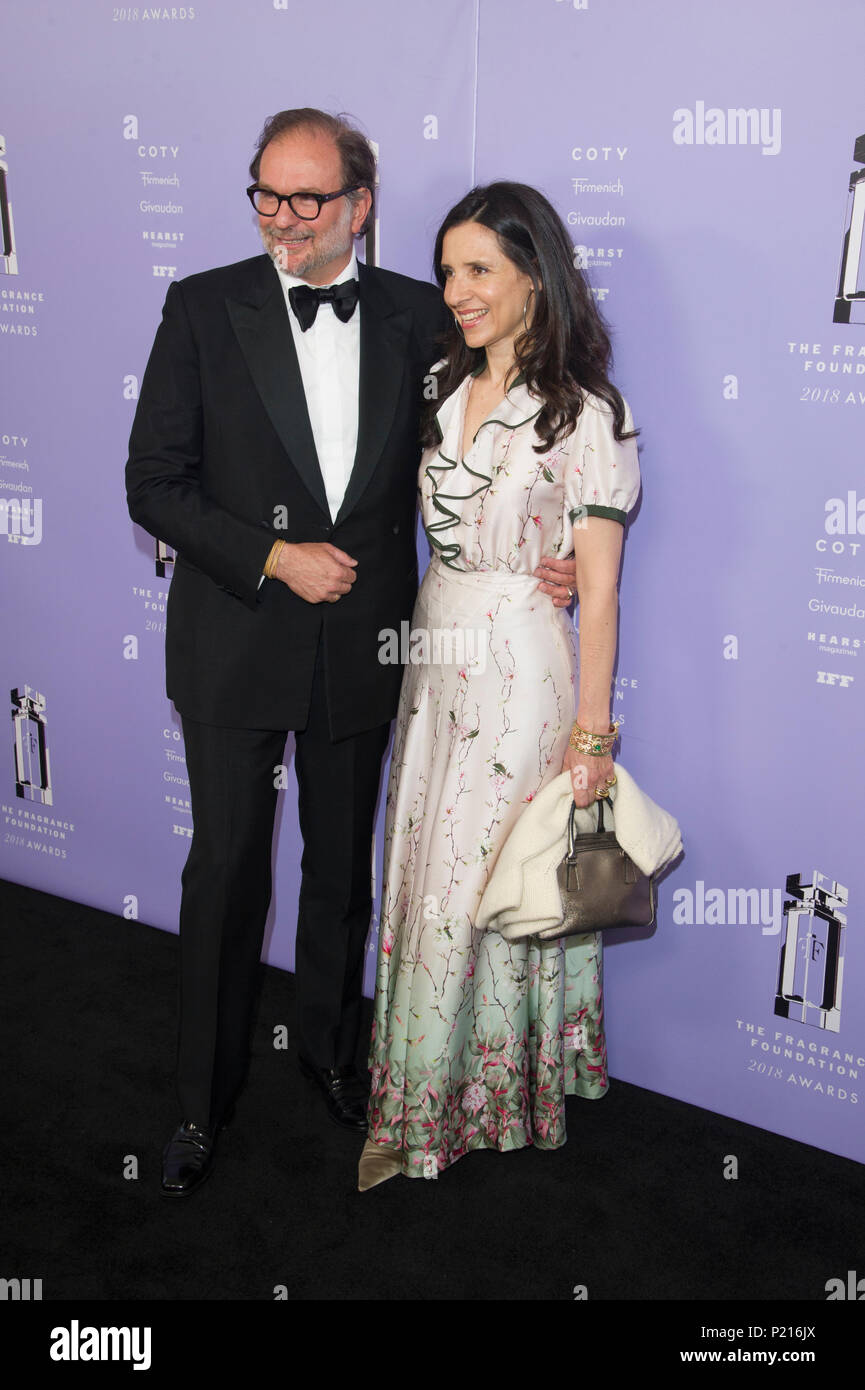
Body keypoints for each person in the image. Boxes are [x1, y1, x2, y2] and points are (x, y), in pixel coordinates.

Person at [125, 112, 578, 1197]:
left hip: (366, 649)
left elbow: (506, 426)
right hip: (234, 641)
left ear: (359, 206)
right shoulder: (200, 306)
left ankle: (331, 1057)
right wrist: (274, 556)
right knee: (227, 874)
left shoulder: (426, 317)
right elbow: (153, 483)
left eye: (306, 200)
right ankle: (202, 1099)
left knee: (338, 875)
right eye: (265, 196)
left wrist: (550, 552)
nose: (282, 219)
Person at [360, 181, 641, 1189]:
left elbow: (599, 596)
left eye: (479, 268)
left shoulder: (587, 414)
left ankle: (469, 1103)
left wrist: (593, 739)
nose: (457, 289)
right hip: (436, 652)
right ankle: (428, 1089)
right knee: (429, 866)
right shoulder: (440, 382)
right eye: (447, 270)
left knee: (486, 884)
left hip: (523, 668)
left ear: (536, 276)